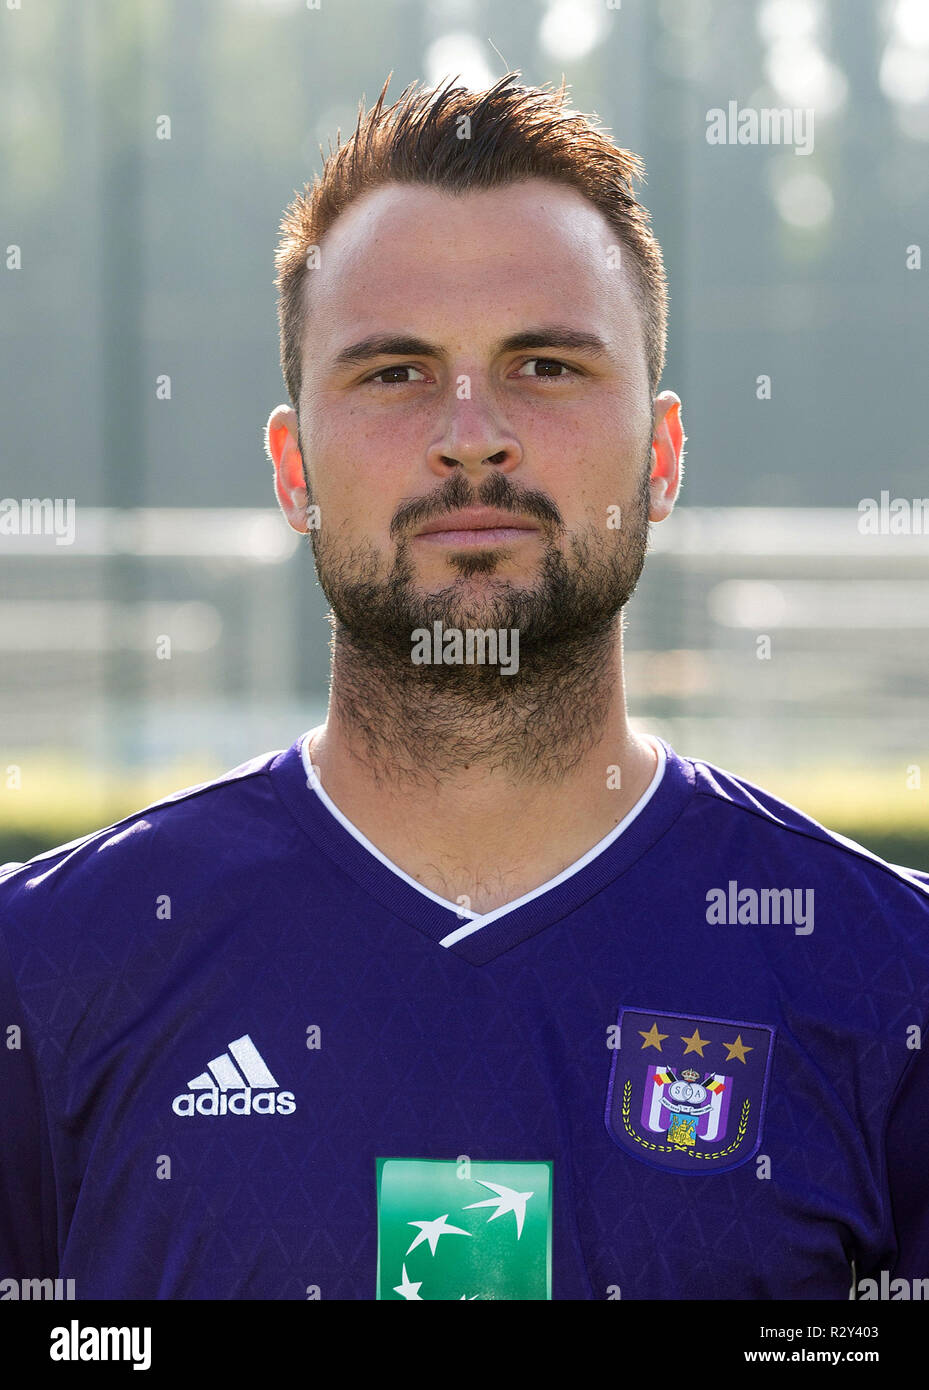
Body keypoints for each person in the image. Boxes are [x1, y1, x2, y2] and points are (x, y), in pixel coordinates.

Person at [1, 73, 927, 1302]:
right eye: (393, 373)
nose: (471, 432)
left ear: (659, 458)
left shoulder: (886, 978)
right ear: (293, 471)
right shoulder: (47, 968)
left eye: (543, 364)